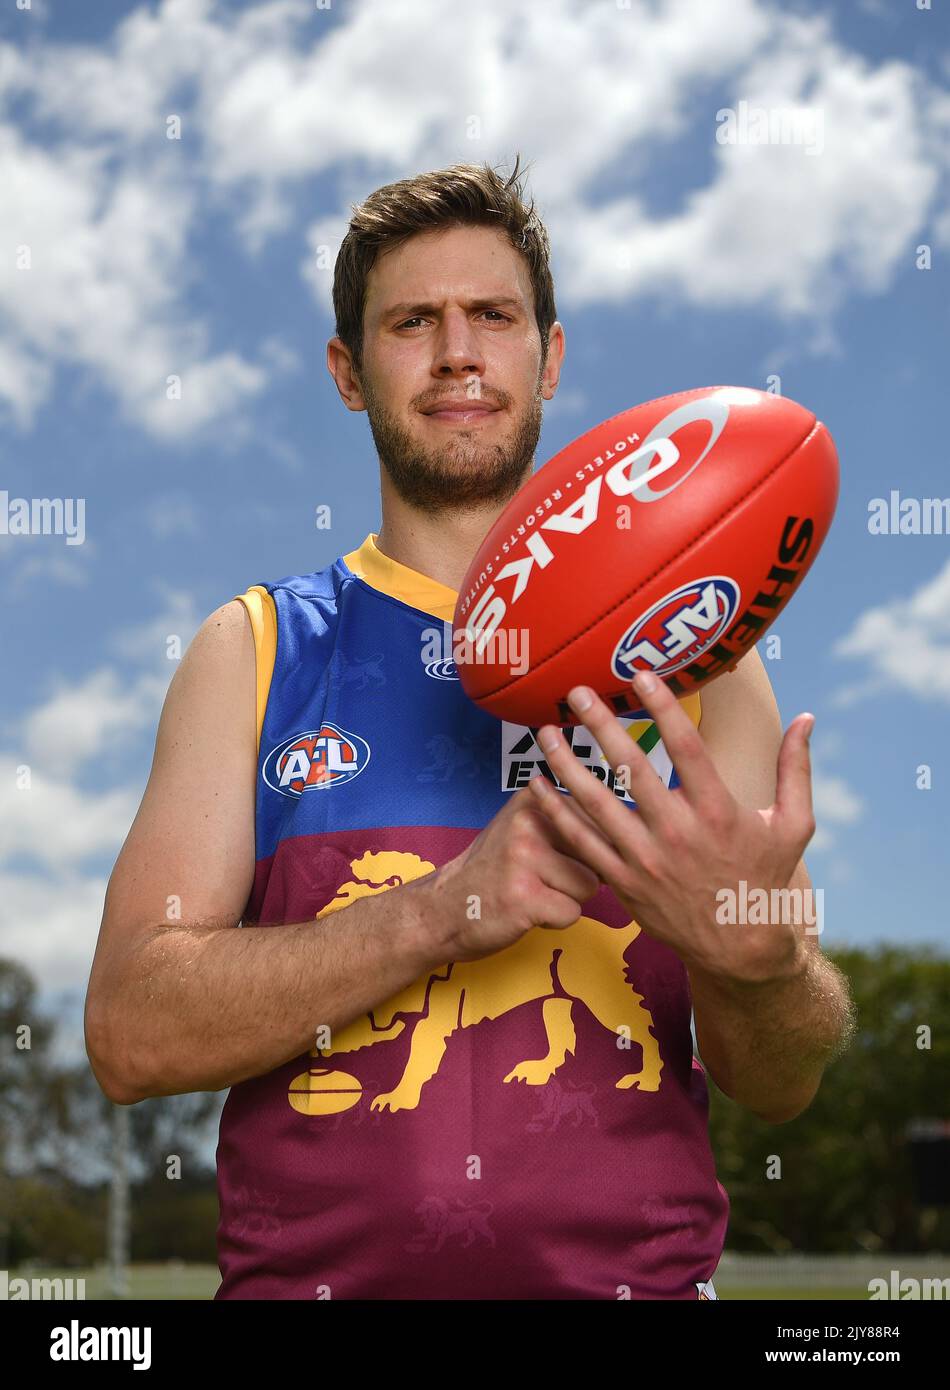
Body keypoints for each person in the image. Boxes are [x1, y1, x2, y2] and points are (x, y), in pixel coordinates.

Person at [85, 157, 854, 1300]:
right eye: (412, 322)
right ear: (348, 372)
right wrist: (435, 916)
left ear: (548, 356)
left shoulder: (700, 664)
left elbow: (778, 1079)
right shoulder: (253, 649)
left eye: (492, 315)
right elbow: (129, 1035)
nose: (457, 351)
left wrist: (754, 959)